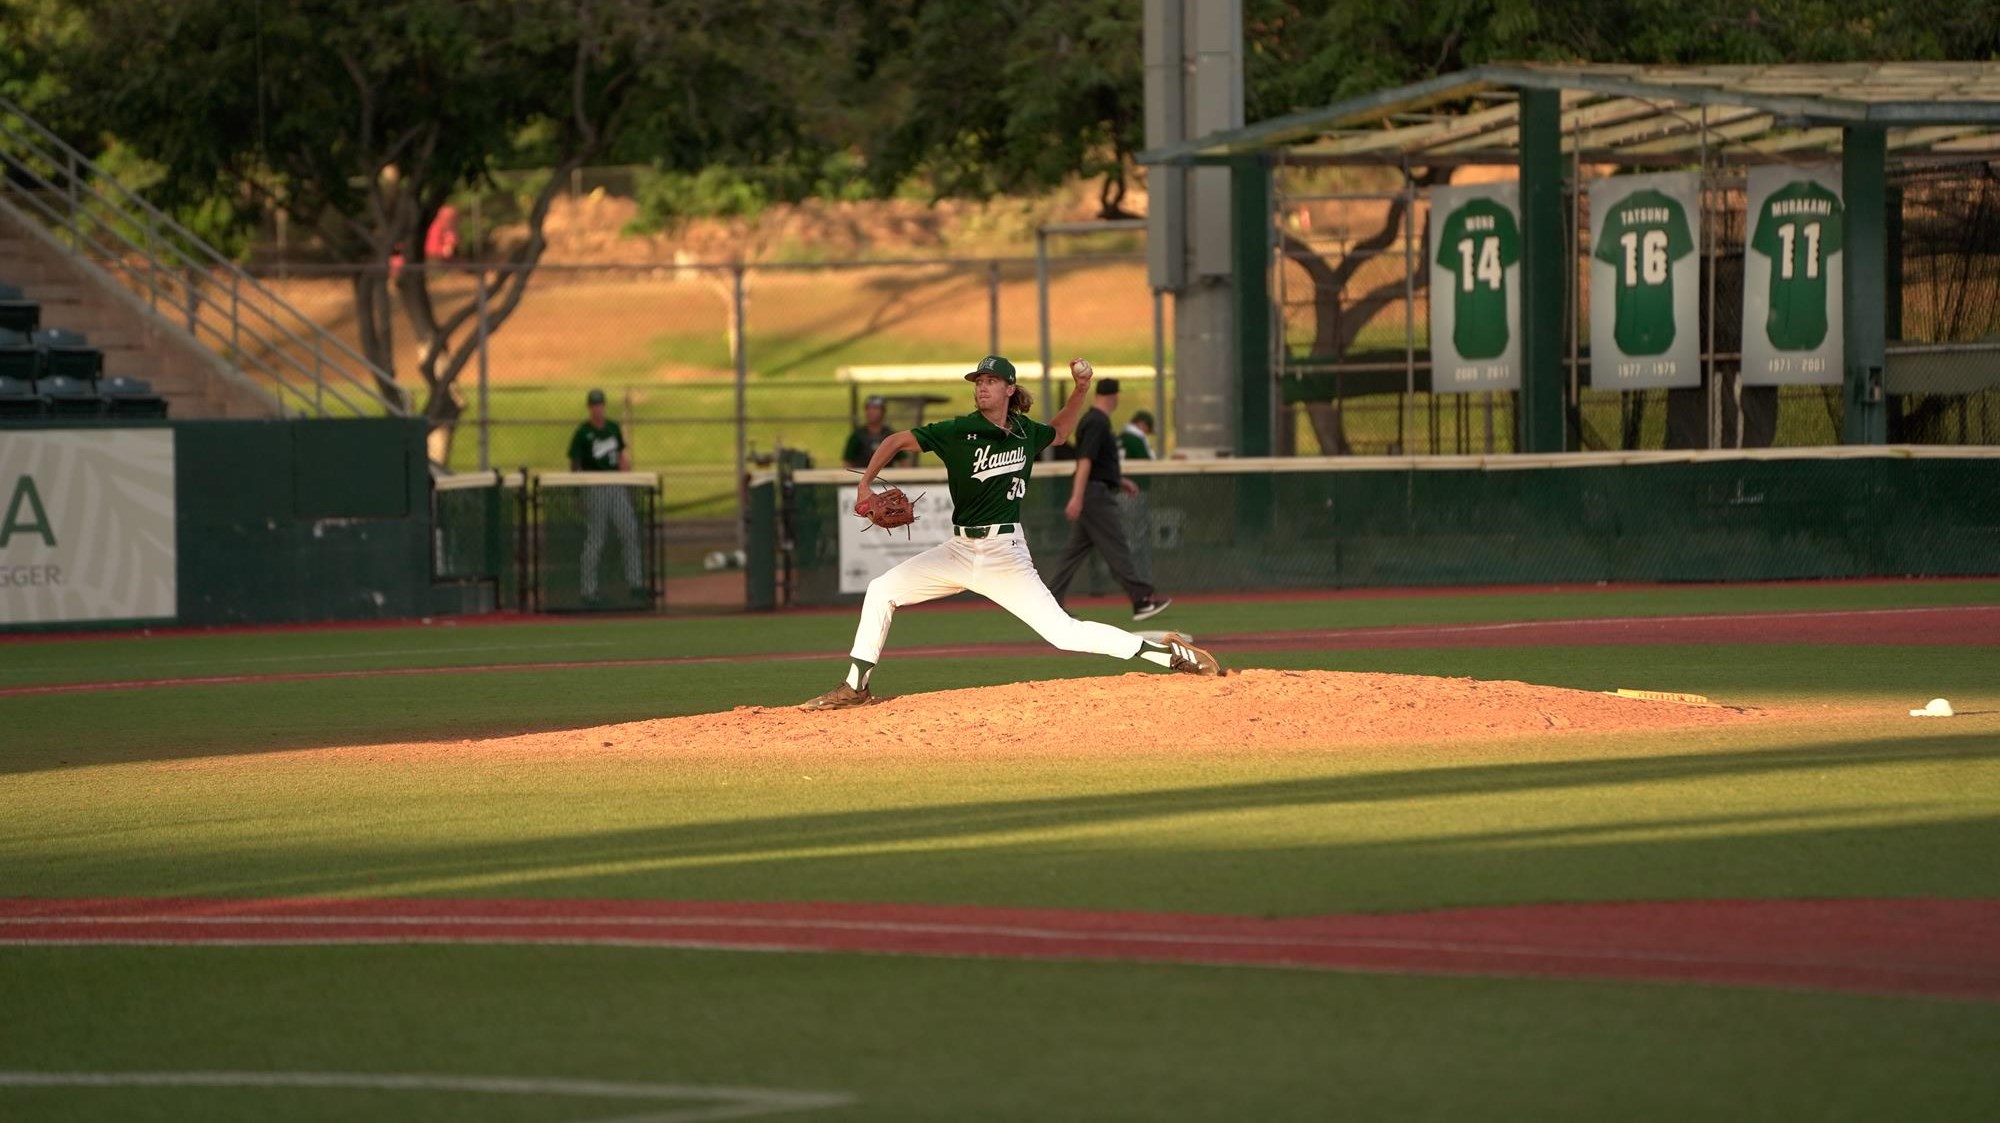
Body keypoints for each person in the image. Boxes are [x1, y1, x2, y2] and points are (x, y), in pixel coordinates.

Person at [799, 355, 1220, 710]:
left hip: (1005, 553)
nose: (982, 387)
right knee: (881, 589)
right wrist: (865, 483)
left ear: (1009, 389)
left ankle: (1168, 657)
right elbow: (894, 440)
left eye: (991, 380)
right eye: (978, 381)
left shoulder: (1024, 431)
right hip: (960, 549)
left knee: (1063, 634)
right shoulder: (957, 431)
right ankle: (856, 686)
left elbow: (1061, 433)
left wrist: (1079, 389)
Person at [1043, 378, 1171, 621]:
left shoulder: (1095, 420)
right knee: (1117, 547)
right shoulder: (1097, 422)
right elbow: (1085, 461)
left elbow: (1096, 464)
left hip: (1094, 492)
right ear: (1114, 397)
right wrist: (1077, 497)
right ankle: (1141, 600)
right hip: (1094, 496)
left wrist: (1120, 481)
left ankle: (1050, 603)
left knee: (1073, 552)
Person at [567, 388, 644, 604]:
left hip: (616, 485)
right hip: (594, 487)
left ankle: (635, 583)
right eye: (594, 405)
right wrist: (577, 492)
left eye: (600, 404)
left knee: (629, 532)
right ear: (589, 407)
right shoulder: (583, 432)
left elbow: (621, 458)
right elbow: (575, 462)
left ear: (604, 406)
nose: (597, 408)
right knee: (596, 538)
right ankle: (588, 590)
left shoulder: (612, 428)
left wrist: (629, 485)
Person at [842, 395, 909, 469]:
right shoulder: (857, 436)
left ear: (883, 412)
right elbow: (847, 462)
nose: (872, 412)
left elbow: (904, 461)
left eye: (875, 408)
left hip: (886, 478)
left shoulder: (891, 436)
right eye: (869, 408)